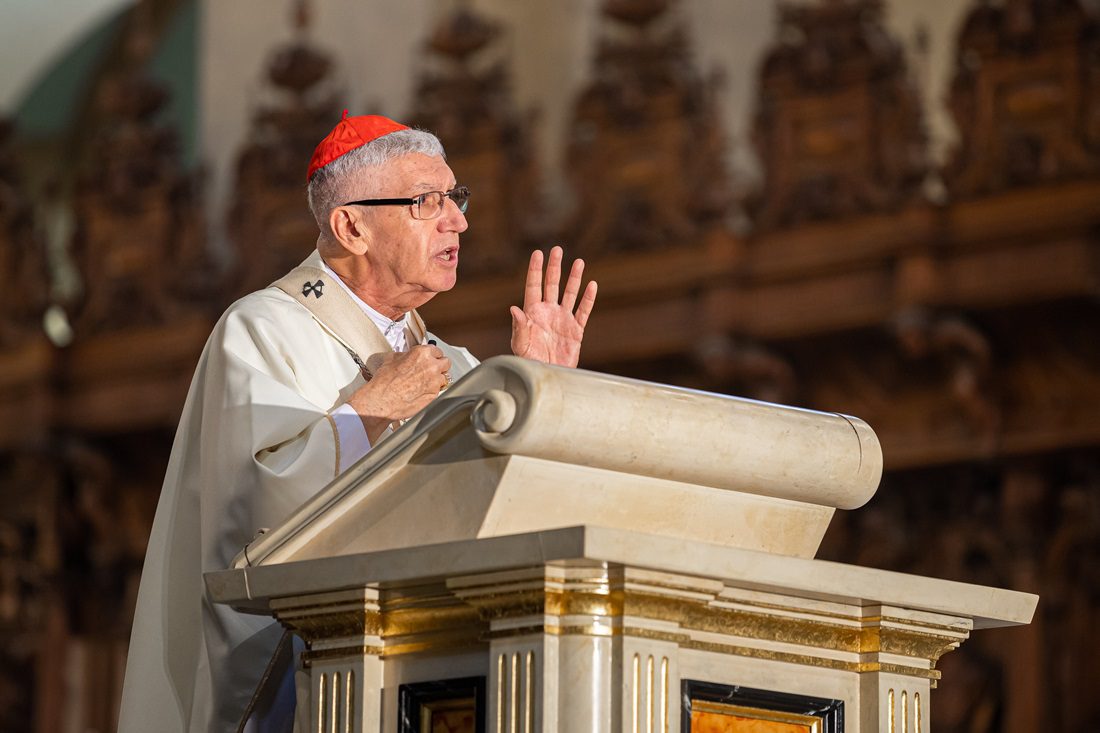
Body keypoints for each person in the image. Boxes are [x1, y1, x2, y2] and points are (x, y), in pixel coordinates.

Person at [117, 113, 597, 732]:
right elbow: (252, 504)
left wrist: (541, 392)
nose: (458, 221)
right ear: (352, 227)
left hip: (439, 675)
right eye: (427, 202)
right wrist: (370, 412)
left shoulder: (458, 366)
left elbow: (511, 513)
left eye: (456, 197)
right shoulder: (262, 330)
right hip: (312, 681)